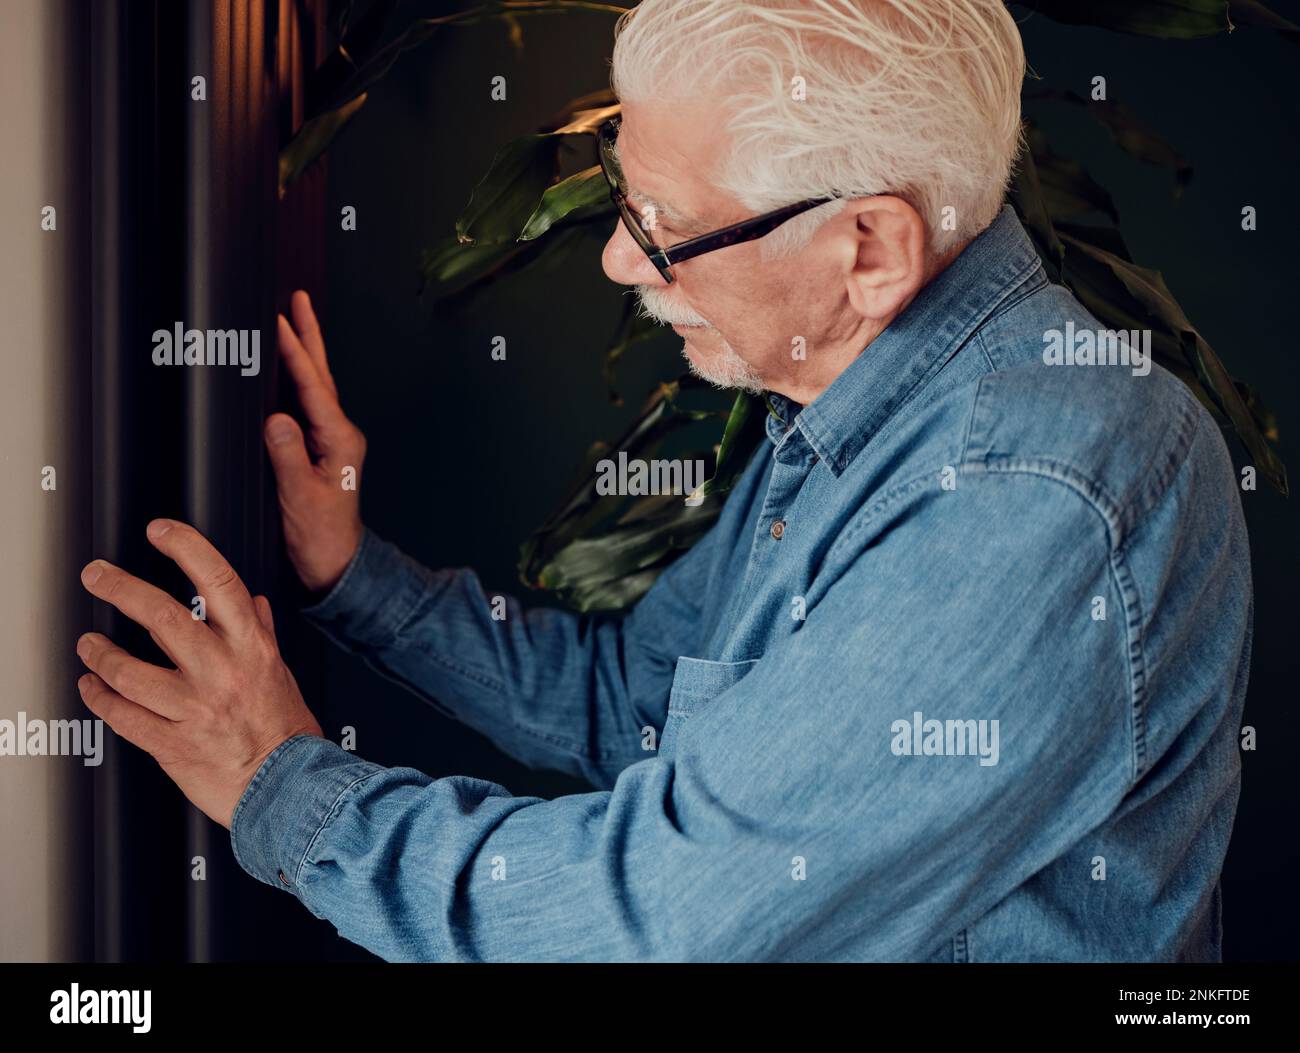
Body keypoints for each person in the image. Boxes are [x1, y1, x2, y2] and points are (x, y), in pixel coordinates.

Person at [74, 0, 1251, 961]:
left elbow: (667, 925)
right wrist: (350, 575)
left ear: (871, 251)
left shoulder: (1016, 493)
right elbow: (631, 708)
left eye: (665, 224)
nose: (617, 256)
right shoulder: (862, 405)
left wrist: (278, 785)